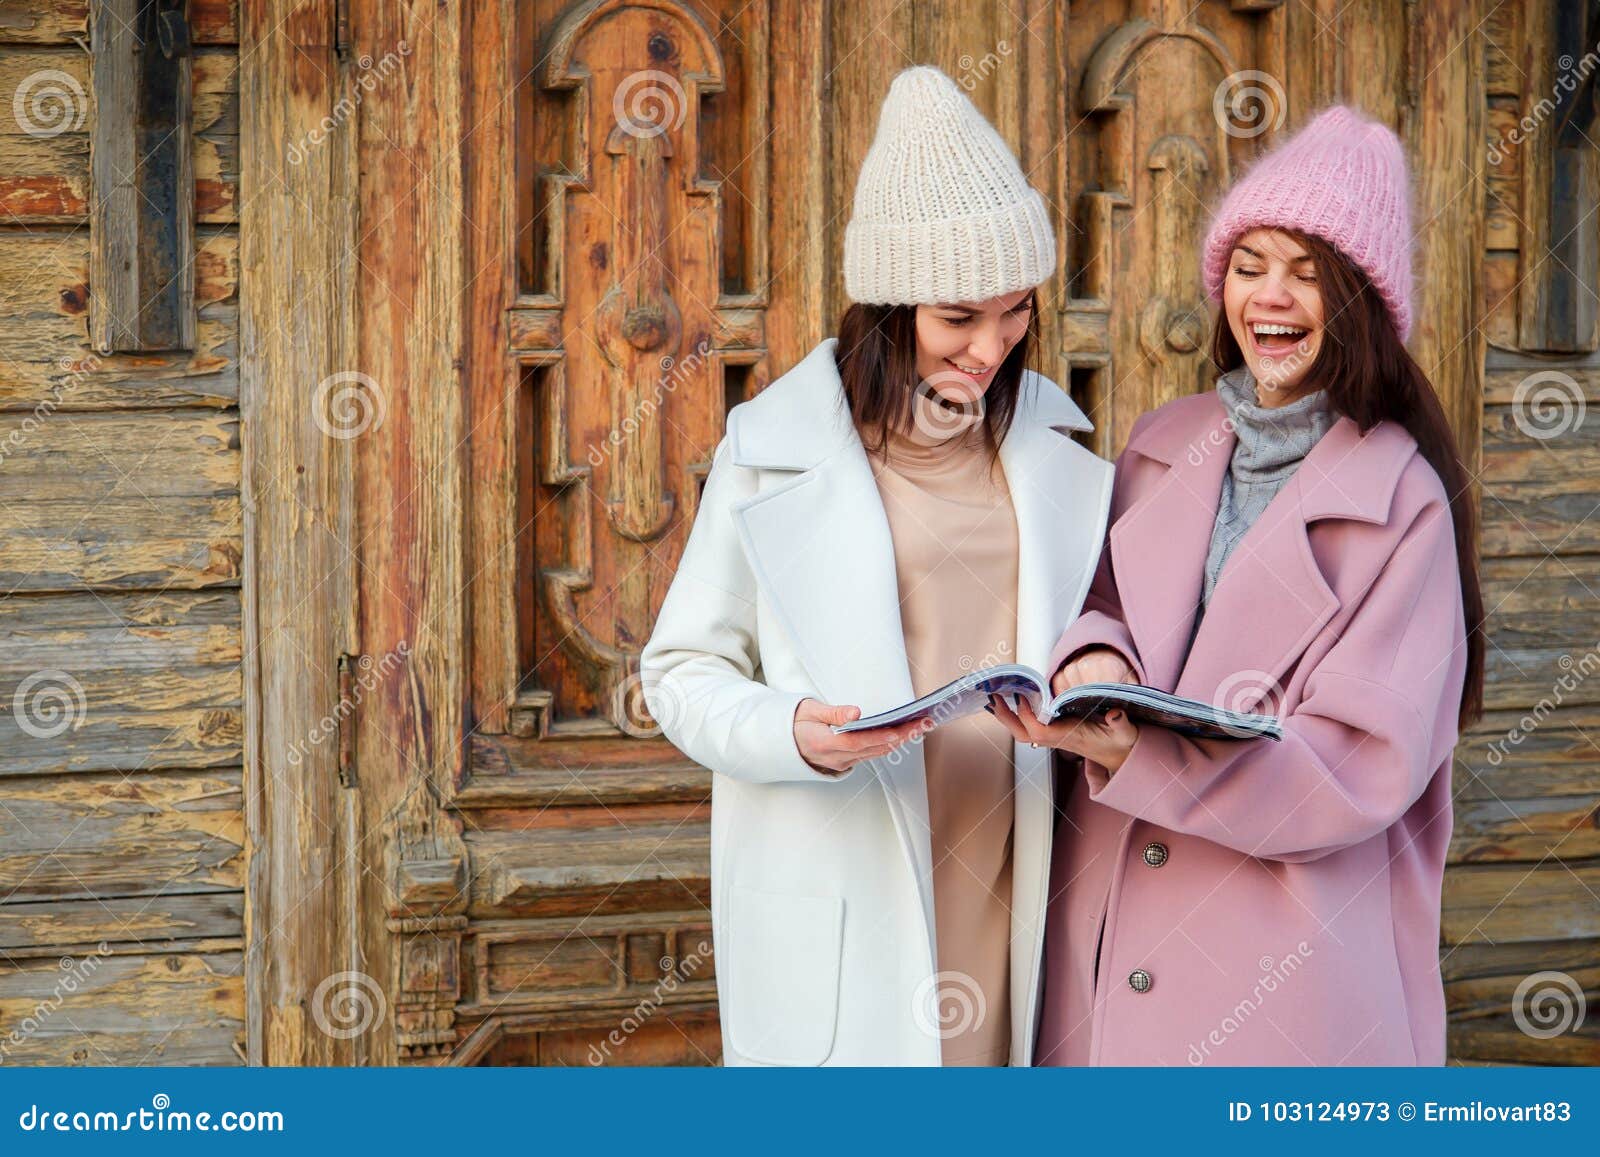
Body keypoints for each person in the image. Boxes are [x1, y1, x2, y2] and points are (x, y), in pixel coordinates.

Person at [990, 105, 1485, 1066]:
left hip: (1283, 984)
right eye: (1250, 265)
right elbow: (1107, 605)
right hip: (1110, 945)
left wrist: (1142, 754)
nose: (1271, 296)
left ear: (1360, 299)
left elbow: (1358, 764)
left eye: (1308, 272)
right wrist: (1093, 662)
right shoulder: (1163, 444)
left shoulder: (1403, 502)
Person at [640, 66, 1113, 1066]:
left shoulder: (1061, 456)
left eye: (1015, 311)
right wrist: (792, 734)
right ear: (890, 306)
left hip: (1015, 865)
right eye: (957, 317)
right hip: (846, 880)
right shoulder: (768, 454)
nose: (990, 347)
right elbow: (679, 672)